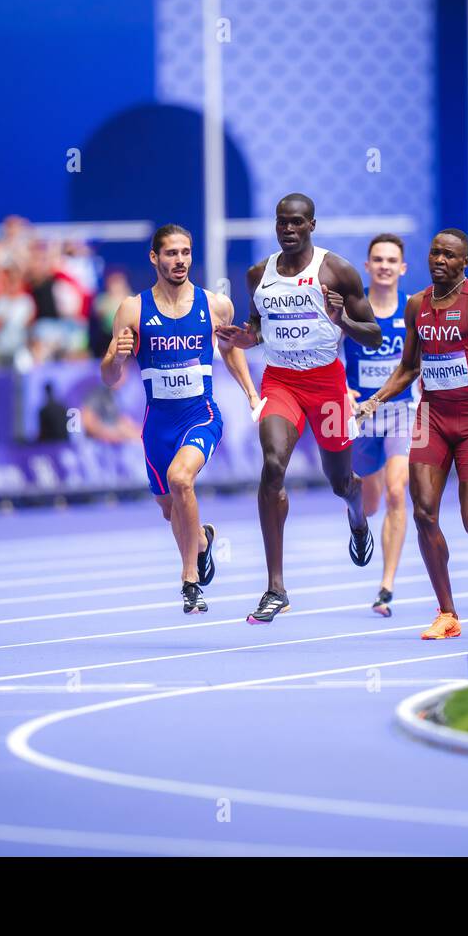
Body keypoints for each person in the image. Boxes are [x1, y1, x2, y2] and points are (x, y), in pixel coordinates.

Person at [216, 193, 383, 624]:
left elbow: (374, 336)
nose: (288, 230)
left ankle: (357, 514)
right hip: (281, 381)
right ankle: (276, 588)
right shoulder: (259, 274)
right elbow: (258, 327)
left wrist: (340, 318)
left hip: (327, 384)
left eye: (296, 223)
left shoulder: (336, 270)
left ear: (311, 225)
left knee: (340, 480)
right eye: (281, 223)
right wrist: (244, 337)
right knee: (272, 465)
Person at [357, 229, 468, 639]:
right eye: (435, 252)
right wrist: (374, 400)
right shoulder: (416, 304)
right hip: (430, 417)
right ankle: (447, 612)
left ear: (463, 263)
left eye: (449, 256)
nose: (440, 260)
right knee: (422, 511)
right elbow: (409, 368)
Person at [102, 224, 258, 614]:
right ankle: (202, 541)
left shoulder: (216, 305)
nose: (180, 260)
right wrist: (117, 357)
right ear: (154, 258)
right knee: (171, 507)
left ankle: (190, 581)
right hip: (157, 425)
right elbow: (109, 376)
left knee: (180, 479)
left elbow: (230, 349)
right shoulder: (133, 309)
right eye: (171, 253)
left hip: (200, 415)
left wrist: (252, 394)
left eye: (186, 252)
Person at [343, 233, 414, 616]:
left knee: (397, 491)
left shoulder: (413, 310)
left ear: (402, 268)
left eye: (392, 260)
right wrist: (341, 388)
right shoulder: (353, 311)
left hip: (402, 411)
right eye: (378, 259)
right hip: (358, 415)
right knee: (366, 504)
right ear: (367, 267)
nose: (385, 265)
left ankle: (386, 586)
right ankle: (357, 524)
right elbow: (326, 351)